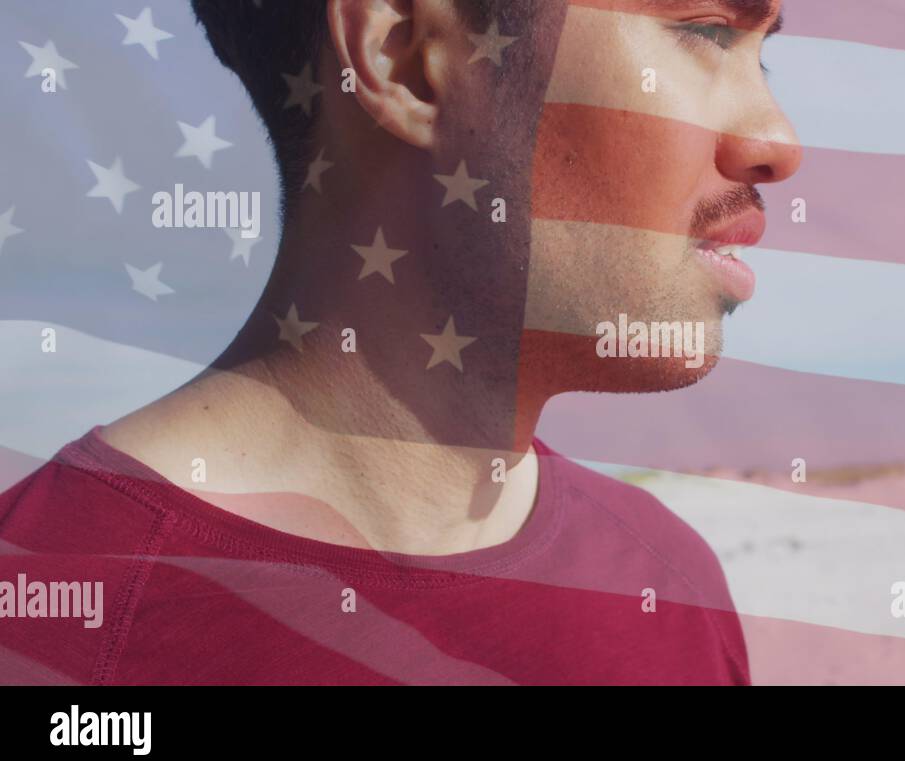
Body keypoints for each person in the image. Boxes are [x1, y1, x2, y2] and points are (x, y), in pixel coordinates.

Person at [0, 0, 800, 684]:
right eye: (706, 31)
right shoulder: (42, 616)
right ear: (407, 60)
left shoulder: (668, 592)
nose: (778, 140)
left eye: (766, 54)